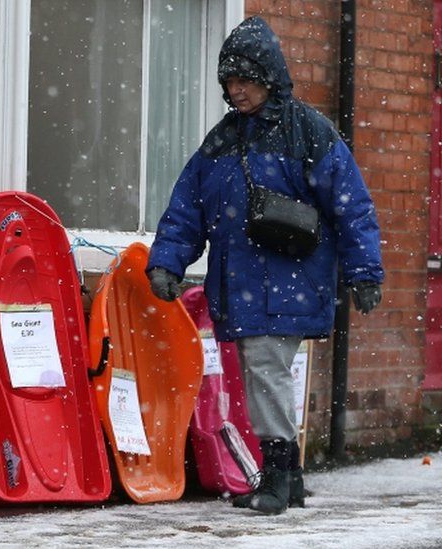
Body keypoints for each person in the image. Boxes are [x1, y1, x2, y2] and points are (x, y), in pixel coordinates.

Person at [146, 16, 384, 515]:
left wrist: (365, 272)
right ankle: (287, 478)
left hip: (289, 280)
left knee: (266, 370)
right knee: (263, 372)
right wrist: (166, 261)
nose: (237, 90)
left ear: (268, 78)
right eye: (230, 82)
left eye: (245, 80)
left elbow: (351, 204)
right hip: (248, 283)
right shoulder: (221, 141)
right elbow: (187, 206)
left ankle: (276, 475)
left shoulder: (309, 132)